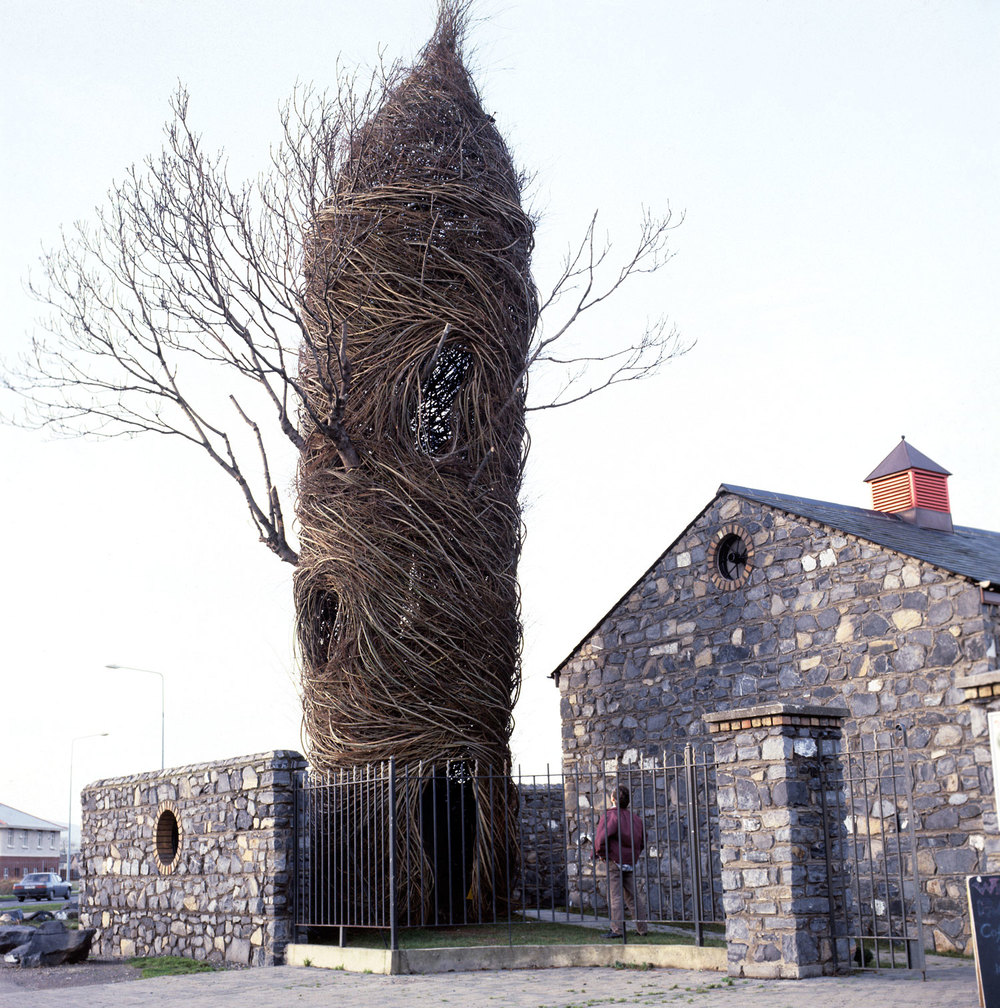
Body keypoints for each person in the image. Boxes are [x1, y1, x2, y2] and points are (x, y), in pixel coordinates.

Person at [593, 784, 647, 938]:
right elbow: (642, 841)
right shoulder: (636, 819)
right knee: (632, 896)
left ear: (612, 799)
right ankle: (642, 929)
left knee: (615, 895)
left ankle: (617, 930)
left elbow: (600, 840)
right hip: (630, 861)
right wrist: (634, 855)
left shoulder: (610, 816)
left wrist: (602, 854)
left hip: (614, 861)